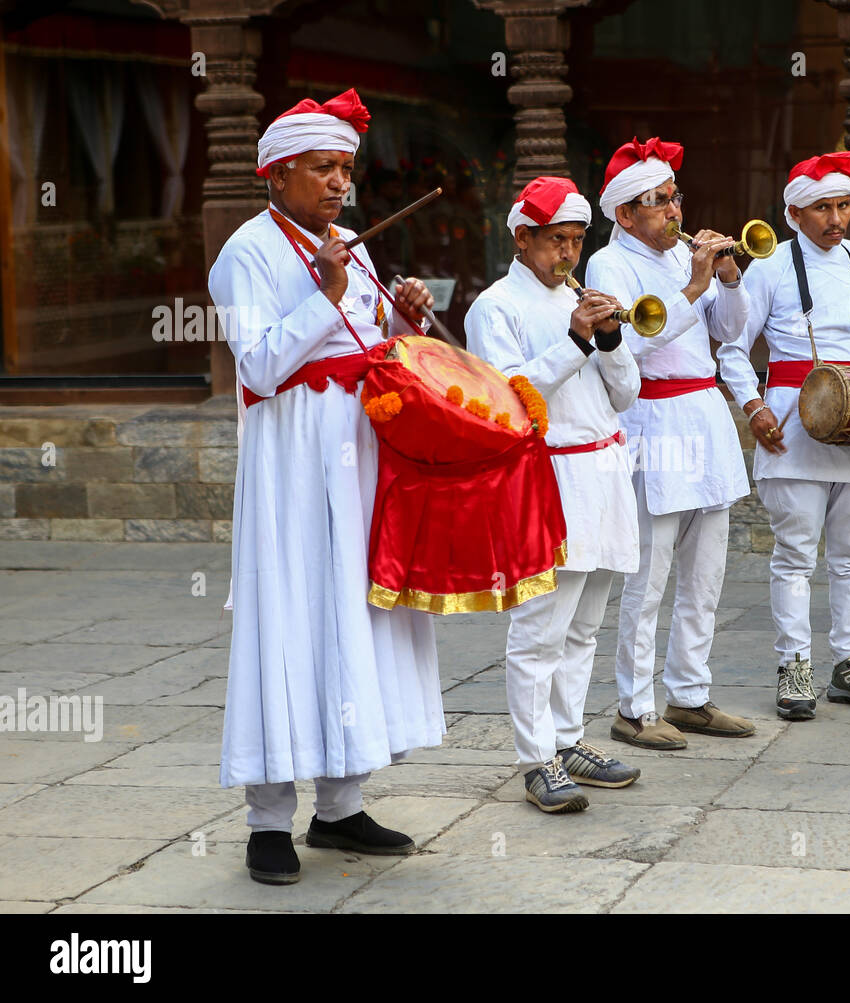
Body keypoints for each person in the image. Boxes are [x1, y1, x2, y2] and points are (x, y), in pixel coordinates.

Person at [208, 89, 445, 884]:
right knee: (290, 617)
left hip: (357, 457)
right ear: (276, 175)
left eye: (345, 167)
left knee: (355, 615)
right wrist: (328, 294)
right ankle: (266, 821)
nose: (339, 183)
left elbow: (372, 347)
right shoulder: (243, 252)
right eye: (321, 168)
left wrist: (403, 316)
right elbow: (263, 365)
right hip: (289, 472)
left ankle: (341, 805)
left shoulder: (353, 246)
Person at [718, 150, 850, 722]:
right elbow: (735, 350)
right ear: (793, 212)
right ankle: (794, 667)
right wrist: (754, 407)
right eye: (822, 208)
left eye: (843, 206)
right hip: (795, 418)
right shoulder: (768, 265)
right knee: (793, 554)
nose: (836, 218)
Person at [465, 176, 643, 813]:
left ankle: (570, 741)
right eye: (556, 242)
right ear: (522, 239)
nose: (568, 254)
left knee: (585, 626)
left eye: (576, 240)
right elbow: (509, 401)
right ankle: (535, 758)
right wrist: (572, 339)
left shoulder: (581, 298)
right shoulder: (494, 308)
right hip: (549, 476)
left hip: (604, 471)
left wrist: (613, 341)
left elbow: (624, 396)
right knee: (540, 629)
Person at [584, 137, 756, 751]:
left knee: (706, 574)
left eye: (675, 198)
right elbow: (631, 347)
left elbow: (731, 333)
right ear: (625, 213)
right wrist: (695, 285)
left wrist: (729, 284)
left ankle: (690, 695)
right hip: (653, 420)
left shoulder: (688, 257)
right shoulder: (610, 264)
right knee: (649, 575)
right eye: (659, 202)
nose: (674, 212)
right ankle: (633, 707)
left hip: (704, 412)